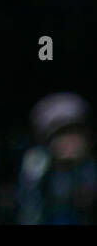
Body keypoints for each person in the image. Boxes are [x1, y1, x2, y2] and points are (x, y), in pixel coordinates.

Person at [17, 93, 96, 224]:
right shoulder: (39, 172)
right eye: (61, 134)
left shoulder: (89, 170)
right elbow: (28, 212)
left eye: (76, 132)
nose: (70, 141)